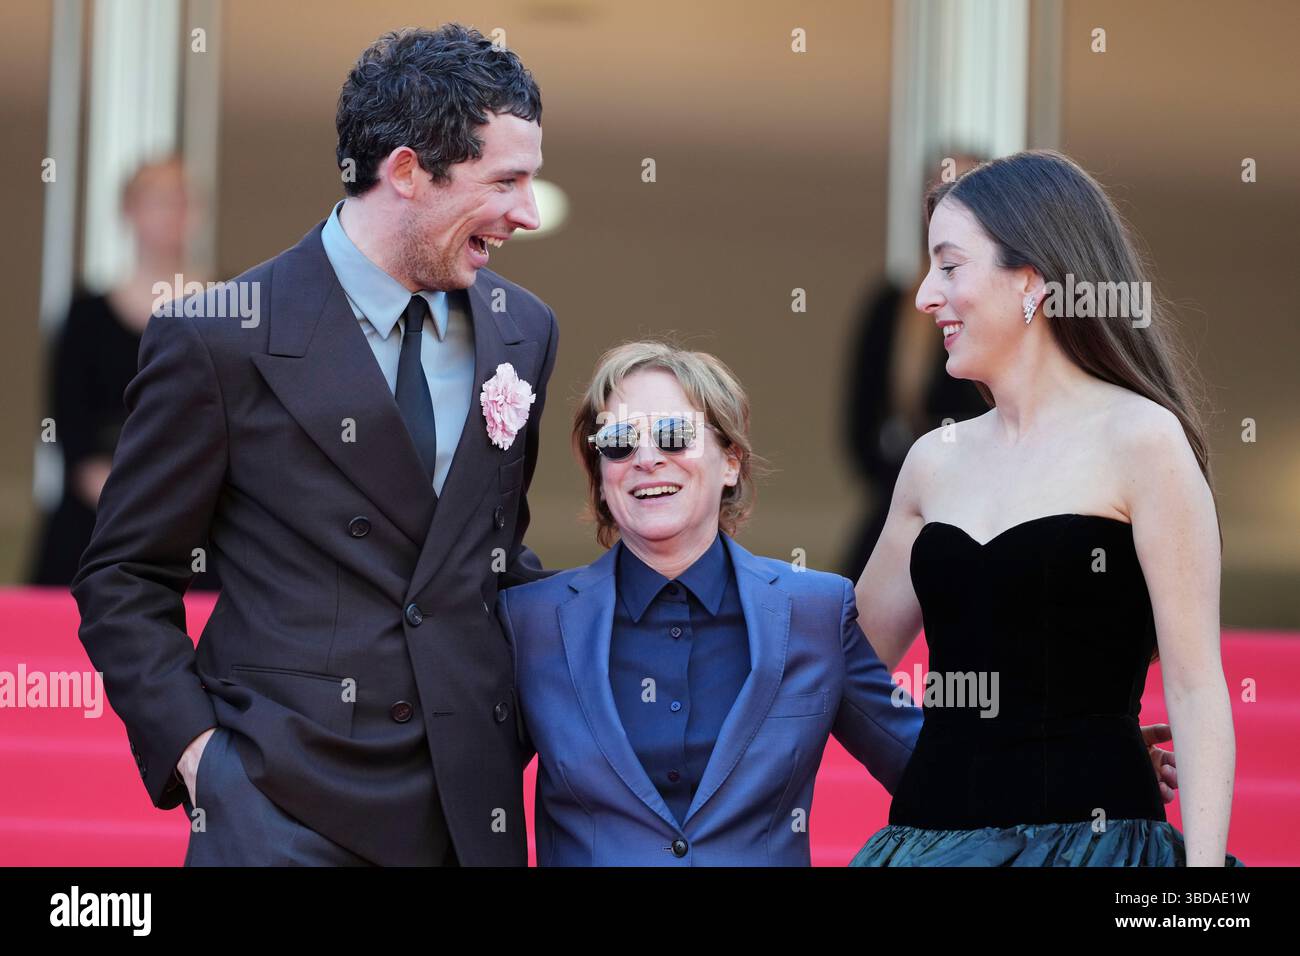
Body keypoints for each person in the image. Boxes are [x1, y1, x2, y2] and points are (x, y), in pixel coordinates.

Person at [72, 24, 556, 866]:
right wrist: (202, 763)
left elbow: (494, 556)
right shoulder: (217, 337)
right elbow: (124, 574)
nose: (528, 212)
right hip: (275, 811)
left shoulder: (525, 331)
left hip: (469, 810)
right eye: (505, 181)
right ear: (406, 172)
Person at [497, 341, 1178, 865]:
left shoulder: (812, 613)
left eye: (674, 436)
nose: (646, 458)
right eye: (618, 442)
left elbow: (929, 759)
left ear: (730, 460)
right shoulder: (532, 621)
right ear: (598, 469)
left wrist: (1077, 756)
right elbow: (463, 785)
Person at [850, 150, 1242, 867]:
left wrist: (1203, 893)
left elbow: (1194, 684)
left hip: (1097, 850)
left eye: (949, 266)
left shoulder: (1144, 440)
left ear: (1029, 281)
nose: (924, 296)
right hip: (927, 845)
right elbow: (844, 663)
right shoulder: (932, 460)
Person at [29, 157, 220, 591]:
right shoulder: (85, 318)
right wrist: (134, 507)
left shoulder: (229, 306)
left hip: (201, 529)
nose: (168, 213)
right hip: (96, 526)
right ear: (128, 211)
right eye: (155, 200)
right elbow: (71, 432)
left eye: (179, 200)